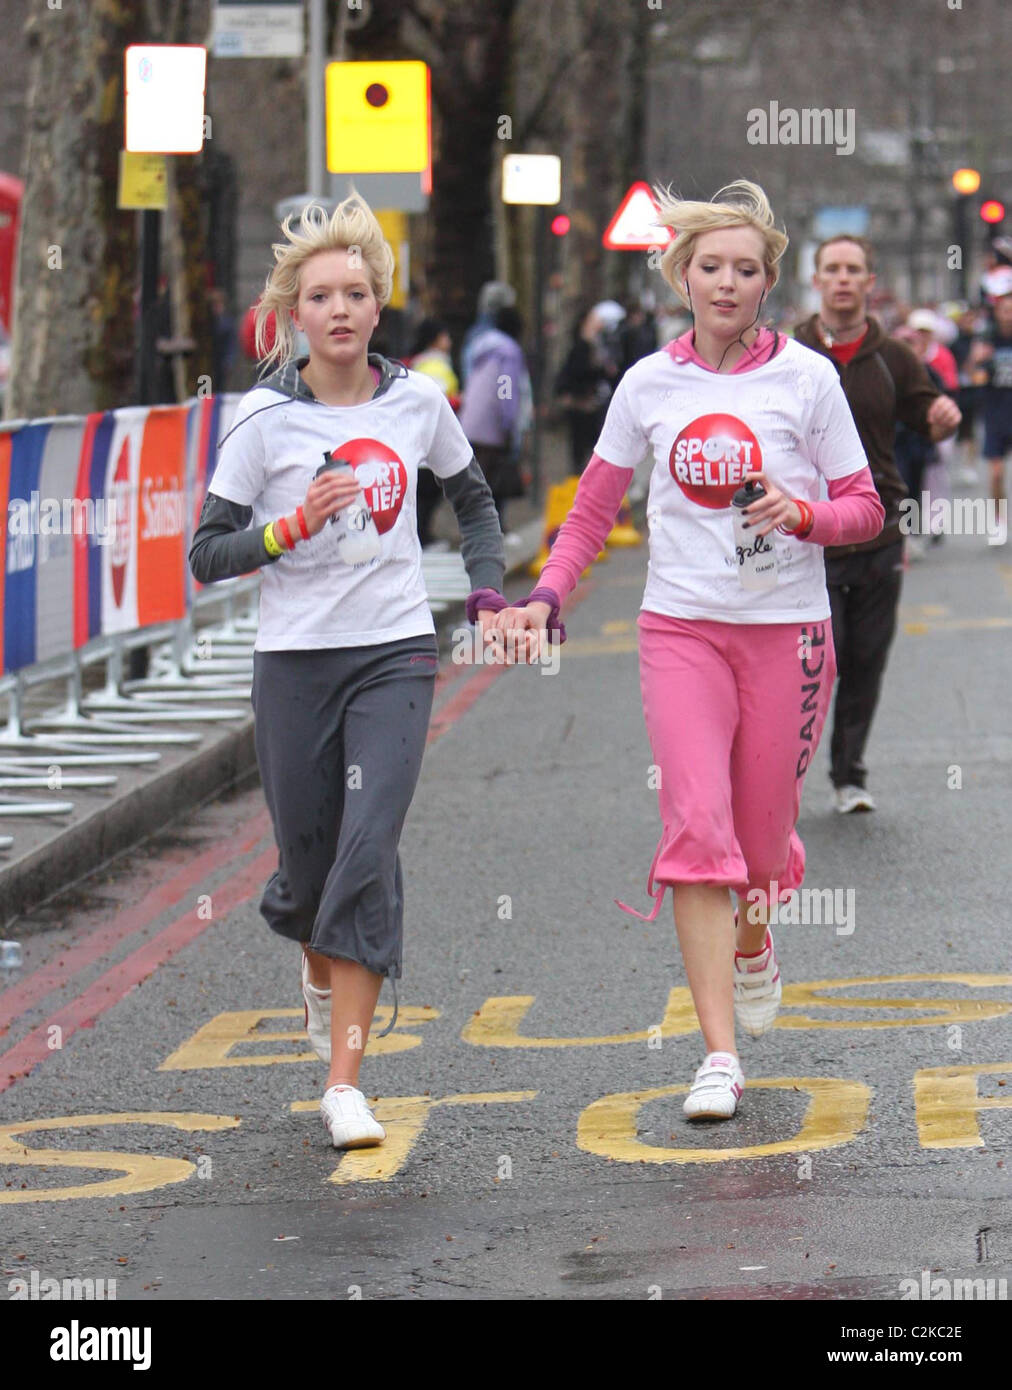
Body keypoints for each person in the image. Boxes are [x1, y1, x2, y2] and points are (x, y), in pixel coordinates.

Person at [487, 180, 884, 1121]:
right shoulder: (647, 384)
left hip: (787, 633)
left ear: (767, 283)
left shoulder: (806, 379)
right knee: (696, 829)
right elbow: (591, 509)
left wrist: (804, 514)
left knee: (755, 842)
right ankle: (719, 1055)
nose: (728, 283)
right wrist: (545, 594)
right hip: (681, 629)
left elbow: (865, 508)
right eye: (711, 267)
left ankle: (756, 942)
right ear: (683, 275)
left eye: (747, 270)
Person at [188, 194, 505, 1149]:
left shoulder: (416, 401)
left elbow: (475, 503)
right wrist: (288, 527)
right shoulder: (263, 421)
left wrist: (488, 595)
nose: (339, 310)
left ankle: (345, 1084)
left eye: (356, 293)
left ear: (378, 307)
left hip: (396, 654)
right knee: (309, 865)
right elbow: (206, 556)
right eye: (320, 295)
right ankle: (314, 944)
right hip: (294, 664)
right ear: (295, 314)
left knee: (367, 852)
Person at [794, 236, 960, 813]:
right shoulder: (787, 355)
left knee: (866, 657)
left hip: (880, 530)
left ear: (869, 281)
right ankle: (781, 777)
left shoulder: (894, 357)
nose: (843, 279)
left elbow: (930, 416)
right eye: (832, 269)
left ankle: (849, 776)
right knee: (820, 659)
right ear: (816, 280)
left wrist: (944, 416)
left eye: (853, 270)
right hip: (806, 536)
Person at [457, 304, 532, 529]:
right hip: (492, 427)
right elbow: (505, 387)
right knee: (494, 482)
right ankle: (490, 527)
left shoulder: (480, 347)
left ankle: (478, 525)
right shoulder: (507, 352)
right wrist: (509, 421)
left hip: (471, 421)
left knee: (478, 481)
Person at [406, 318, 460, 545]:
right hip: (429, 441)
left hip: (420, 440)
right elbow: (436, 404)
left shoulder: (419, 364)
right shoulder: (436, 366)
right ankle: (422, 536)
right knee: (429, 491)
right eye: (445, 336)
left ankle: (422, 534)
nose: (449, 341)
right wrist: (456, 402)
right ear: (435, 340)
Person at [554, 304, 619, 475]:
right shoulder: (582, 346)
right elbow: (578, 371)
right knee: (582, 447)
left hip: (589, 403)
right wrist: (602, 371)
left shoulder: (594, 343)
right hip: (582, 403)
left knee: (585, 447)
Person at [967, 270, 1012, 517]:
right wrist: (977, 364)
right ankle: (998, 517)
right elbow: (973, 376)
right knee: (996, 473)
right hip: (996, 415)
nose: (1008, 315)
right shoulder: (987, 339)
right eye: (1004, 310)